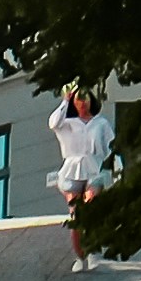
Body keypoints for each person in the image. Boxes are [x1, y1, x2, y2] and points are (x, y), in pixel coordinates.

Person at [48, 85, 114, 262]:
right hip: (71, 170)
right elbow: (53, 123)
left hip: (94, 168)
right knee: (76, 214)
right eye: (78, 100)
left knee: (90, 205)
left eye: (85, 99)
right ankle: (80, 256)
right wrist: (65, 101)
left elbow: (111, 146)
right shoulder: (67, 123)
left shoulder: (101, 123)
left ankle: (93, 249)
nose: (82, 103)